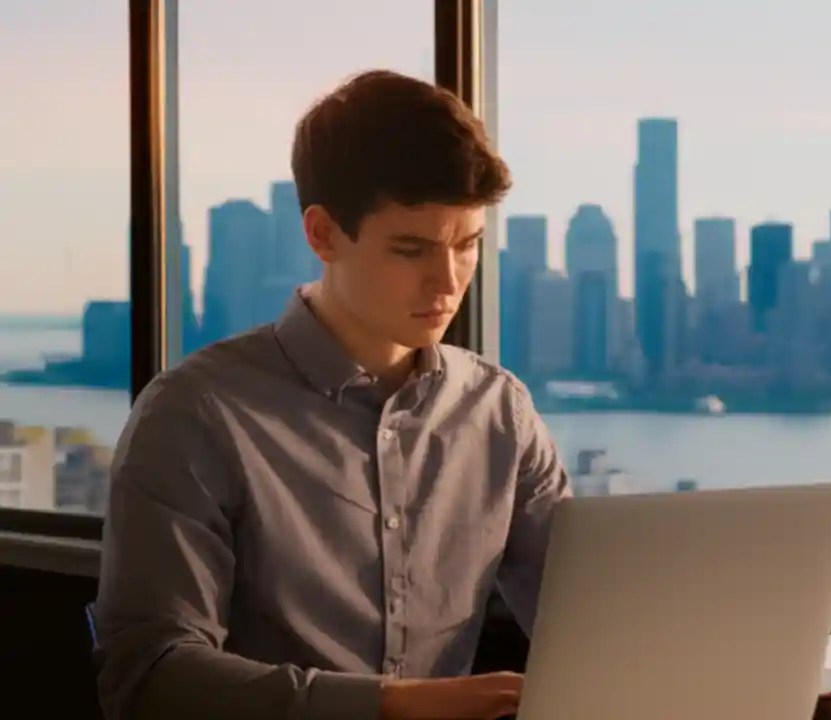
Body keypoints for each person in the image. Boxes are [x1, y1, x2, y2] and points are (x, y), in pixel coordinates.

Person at [94, 69, 571, 720]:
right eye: (411, 249)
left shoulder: (500, 412)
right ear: (322, 235)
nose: (448, 280)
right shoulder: (195, 414)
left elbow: (584, 614)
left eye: (468, 245)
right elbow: (150, 677)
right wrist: (391, 706)